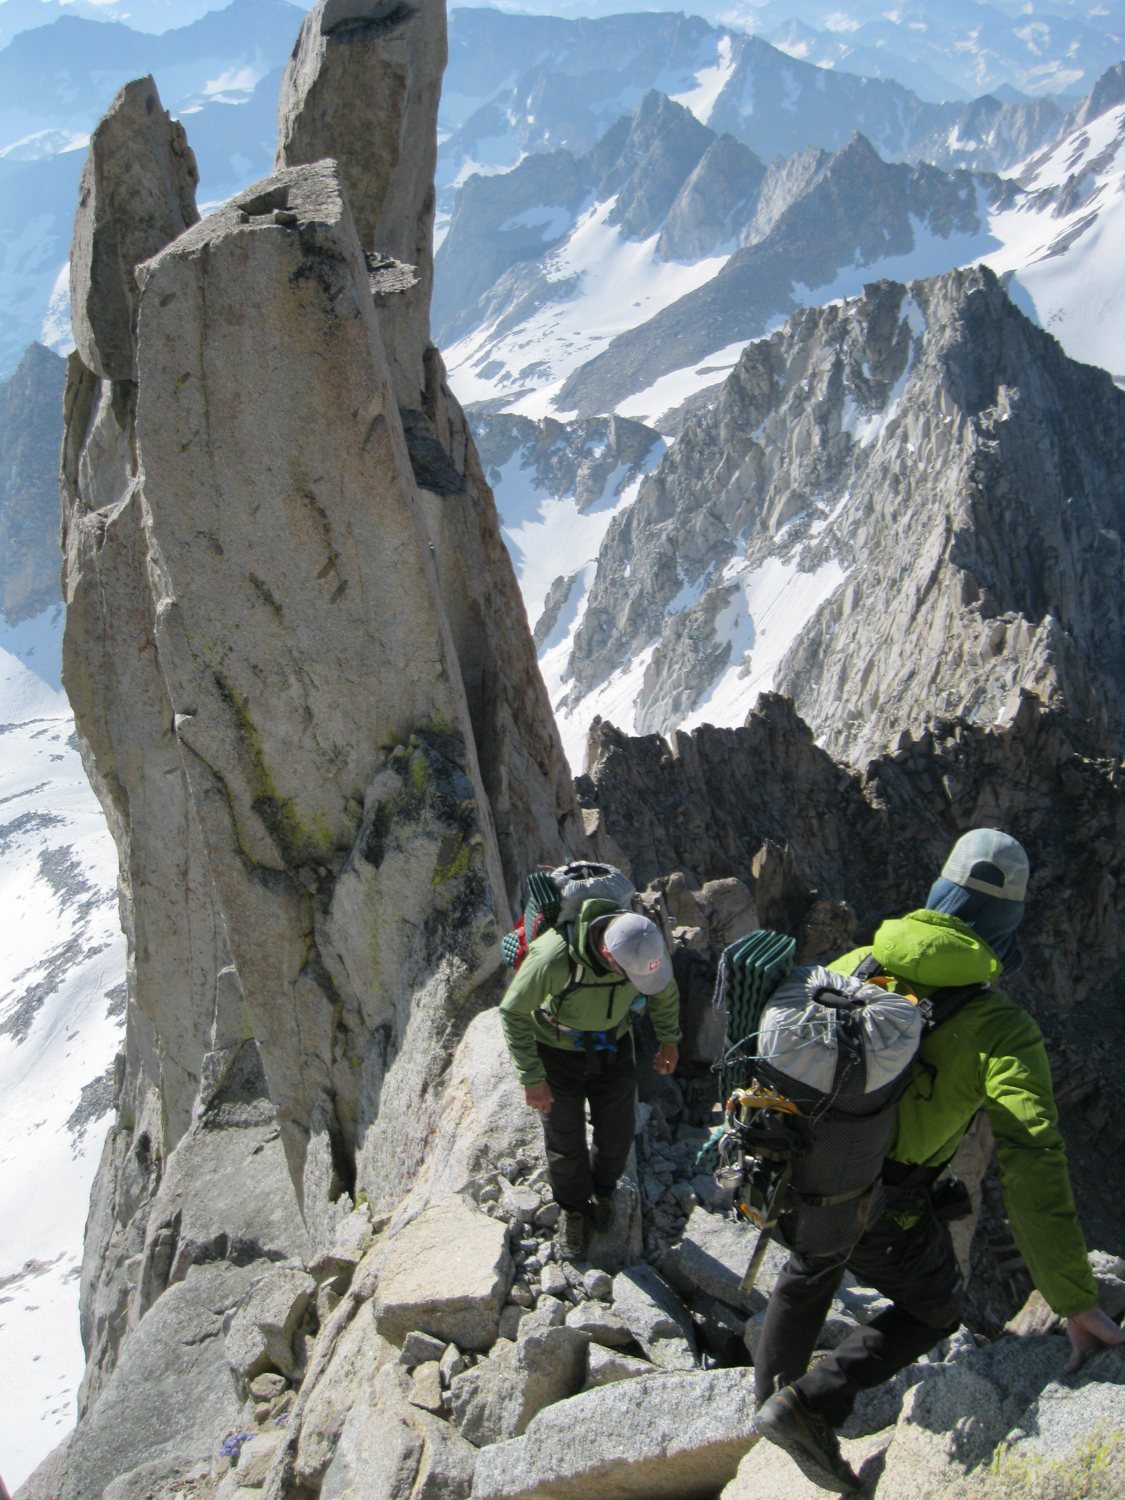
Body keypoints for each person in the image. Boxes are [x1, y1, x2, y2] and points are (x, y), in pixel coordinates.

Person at [752, 829, 1125, 1494]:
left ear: (938, 893)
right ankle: (811, 1404)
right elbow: (1031, 1157)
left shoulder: (858, 959)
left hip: (789, 1173)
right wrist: (1071, 1298)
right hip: (878, 1204)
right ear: (1005, 922)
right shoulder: (1002, 1028)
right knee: (934, 1307)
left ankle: (772, 1404)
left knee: (812, 1263)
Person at [499, 898, 680, 1260]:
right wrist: (532, 1077)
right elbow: (513, 1011)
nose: (638, 983)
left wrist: (669, 1040)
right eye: (632, 976)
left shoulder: (642, 947)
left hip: (613, 1046)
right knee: (565, 1139)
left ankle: (603, 1191)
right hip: (556, 1050)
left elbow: (663, 992)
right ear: (605, 952)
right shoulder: (554, 957)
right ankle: (573, 1209)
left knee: (618, 1133)